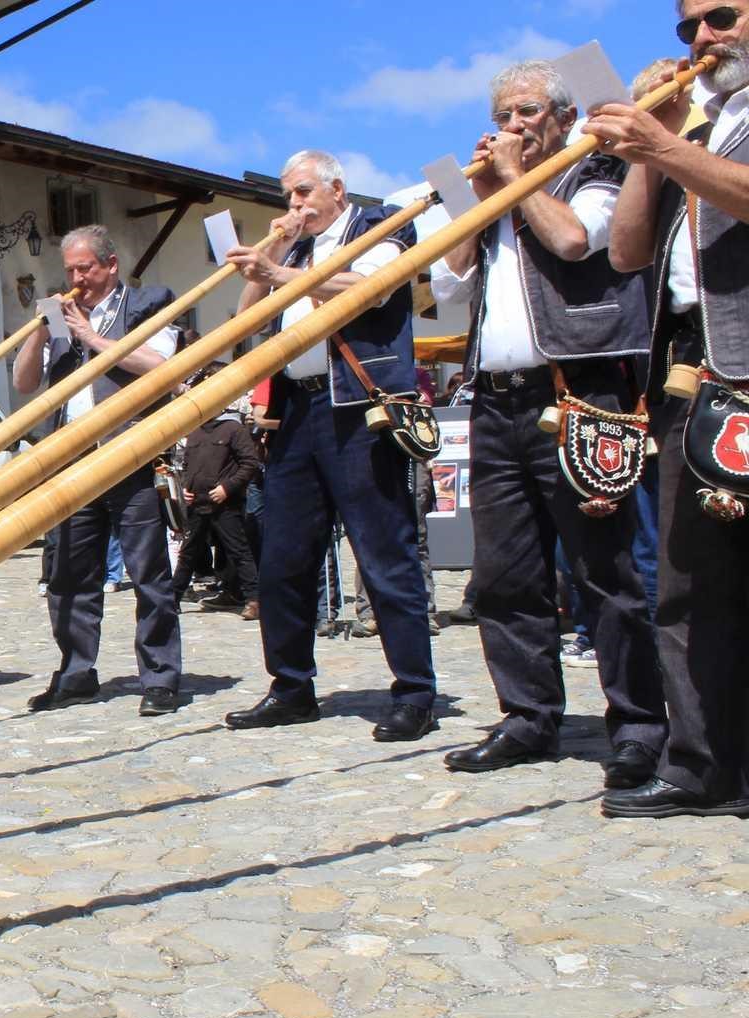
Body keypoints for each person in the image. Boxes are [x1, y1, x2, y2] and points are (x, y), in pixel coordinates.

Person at [427, 60, 666, 784]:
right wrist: (477, 196)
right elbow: (448, 281)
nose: (511, 127)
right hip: (497, 399)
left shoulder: (594, 171)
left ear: (562, 117)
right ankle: (528, 716)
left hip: (580, 389)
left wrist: (514, 185)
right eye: (503, 115)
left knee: (605, 567)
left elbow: (572, 241)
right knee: (504, 574)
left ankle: (640, 725)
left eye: (526, 112)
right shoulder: (492, 191)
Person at [588, 2, 749, 816]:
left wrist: (668, 146)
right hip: (698, 371)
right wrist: (652, 147)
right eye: (687, 28)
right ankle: (700, 767)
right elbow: (624, 252)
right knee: (688, 586)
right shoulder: (707, 121)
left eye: (720, 17)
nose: (700, 41)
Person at [221, 149, 438, 741]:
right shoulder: (288, 251)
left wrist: (285, 275)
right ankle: (291, 687)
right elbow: (245, 321)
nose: (293, 206)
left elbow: (369, 287)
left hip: (357, 410)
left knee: (383, 553)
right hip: (295, 412)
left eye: (302, 194)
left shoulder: (378, 226)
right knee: (283, 560)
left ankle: (415, 692)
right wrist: (267, 256)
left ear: (337, 189)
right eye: (288, 196)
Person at [10, 227, 186, 716]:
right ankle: (75, 673)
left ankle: (160, 677)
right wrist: (39, 333)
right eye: (69, 270)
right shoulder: (63, 317)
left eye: (84, 268)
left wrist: (90, 335)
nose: (76, 278)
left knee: (148, 573)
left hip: (131, 454)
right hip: (73, 460)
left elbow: (162, 365)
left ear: (110, 265)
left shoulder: (149, 303)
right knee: (67, 575)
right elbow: (25, 384)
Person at [171, 388, 262, 619]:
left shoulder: (233, 429)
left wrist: (227, 488)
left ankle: (254, 599)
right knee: (189, 553)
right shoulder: (195, 433)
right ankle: (172, 598)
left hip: (225, 505)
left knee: (239, 551)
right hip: (198, 505)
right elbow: (186, 466)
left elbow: (250, 463)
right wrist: (185, 489)